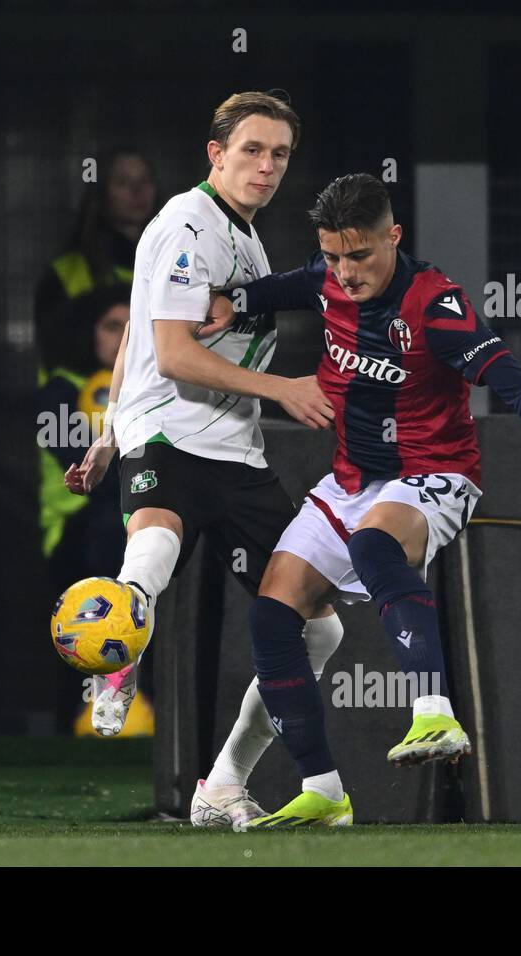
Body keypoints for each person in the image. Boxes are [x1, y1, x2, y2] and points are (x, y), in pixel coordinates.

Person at [202, 173, 521, 826]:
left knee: (373, 543)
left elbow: (511, 381)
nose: (345, 272)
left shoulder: (434, 304)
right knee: (272, 617)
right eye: (334, 255)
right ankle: (324, 793)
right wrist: (232, 299)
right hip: (352, 476)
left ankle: (435, 716)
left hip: (437, 471)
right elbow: (281, 287)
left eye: (360, 255)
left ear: (393, 237)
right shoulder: (325, 276)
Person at [66, 90, 351, 829]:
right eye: (251, 149)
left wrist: (101, 431)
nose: (265, 166)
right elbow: (174, 353)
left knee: (319, 628)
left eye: (279, 153)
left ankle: (222, 783)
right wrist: (281, 386)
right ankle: (116, 650)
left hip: (233, 448)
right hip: (168, 432)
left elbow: (137, 324)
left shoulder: (244, 237)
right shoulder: (188, 223)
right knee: (155, 538)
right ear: (215, 153)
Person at [37, 285, 133, 732]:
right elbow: (83, 467)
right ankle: (76, 718)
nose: (123, 338)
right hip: (74, 532)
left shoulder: (153, 388)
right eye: (113, 326)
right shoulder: (61, 389)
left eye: (132, 327)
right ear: (90, 334)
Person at [35, 149, 157, 374]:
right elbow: (53, 355)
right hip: (83, 405)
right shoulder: (65, 273)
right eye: (122, 182)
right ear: (102, 193)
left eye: (144, 180)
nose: (137, 191)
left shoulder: (170, 264)